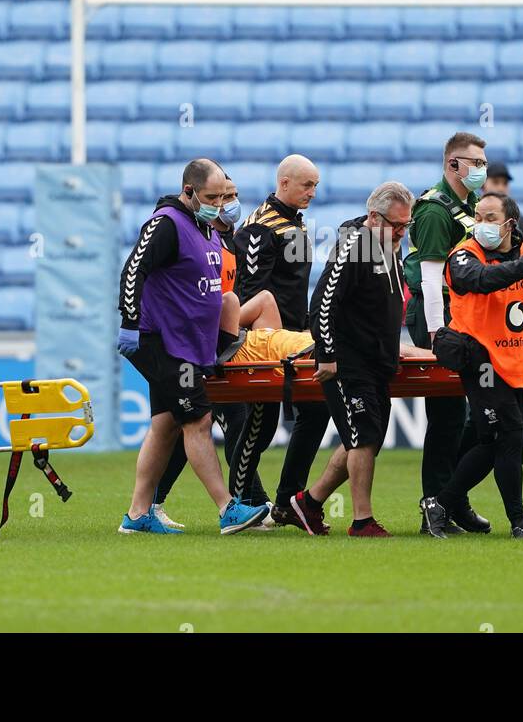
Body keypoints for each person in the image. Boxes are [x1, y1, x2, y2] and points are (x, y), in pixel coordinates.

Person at [116, 159, 269, 535]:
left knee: (165, 425)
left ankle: (137, 515)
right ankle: (227, 508)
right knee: (198, 420)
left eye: (224, 197)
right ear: (188, 192)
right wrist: (130, 323)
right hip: (161, 342)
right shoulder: (167, 224)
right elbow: (133, 270)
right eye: (211, 197)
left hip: (187, 345)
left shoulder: (206, 228)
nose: (220, 205)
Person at [421, 193, 523, 539]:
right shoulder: (463, 255)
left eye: (490, 217)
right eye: (478, 217)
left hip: (512, 358)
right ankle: (519, 521)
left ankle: (441, 503)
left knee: (498, 439)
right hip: (478, 355)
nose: (481, 224)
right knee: (508, 434)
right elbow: (480, 280)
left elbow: (519, 306)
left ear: (510, 223)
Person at [286, 182, 414, 538]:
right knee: (362, 439)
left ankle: (308, 503)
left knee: (365, 437)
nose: (402, 232)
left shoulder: (389, 245)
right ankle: (361, 520)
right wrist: (326, 355)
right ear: (374, 217)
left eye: (407, 226)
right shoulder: (356, 247)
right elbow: (322, 304)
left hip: (375, 360)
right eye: (397, 225)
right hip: (347, 360)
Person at [231, 154, 335, 532]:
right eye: (307, 185)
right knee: (260, 423)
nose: (312, 192)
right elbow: (252, 295)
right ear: (284, 182)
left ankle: (289, 499)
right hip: (268, 344)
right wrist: (270, 342)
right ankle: (239, 503)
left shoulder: (293, 223)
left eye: (316, 185)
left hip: (296, 339)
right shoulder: (261, 227)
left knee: (315, 411)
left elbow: (291, 289)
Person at [404, 132, 491, 535]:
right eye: (474, 162)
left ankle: (451, 498)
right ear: (452, 165)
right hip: (439, 315)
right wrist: (438, 333)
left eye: (483, 163)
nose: (481, 169)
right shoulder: (436, 210)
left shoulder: (470, 206)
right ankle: (434, 505)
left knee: (469, 414)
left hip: (466, 316)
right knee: (447, 415)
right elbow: (430, 276)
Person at [483, 162, 523, 247]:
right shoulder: (471, 216)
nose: (501, 188)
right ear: (483, 184)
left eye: (505, 183)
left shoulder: (522, 224)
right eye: (495, 182)